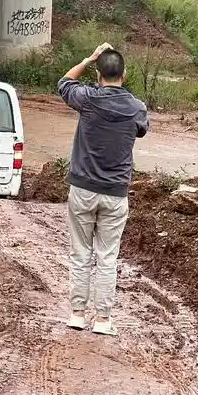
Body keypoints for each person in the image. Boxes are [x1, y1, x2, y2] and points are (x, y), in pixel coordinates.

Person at [58, 42, 149, 337]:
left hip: (83, 189)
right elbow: (142, 129)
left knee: (81, 254)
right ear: (124, 75)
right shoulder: (136, 108)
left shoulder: (87, 99)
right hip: (115, 192)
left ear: (99, 75)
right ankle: (103, 320)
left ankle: (76, 314)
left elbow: (64, 82)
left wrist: (89, 57)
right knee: (108, 257)